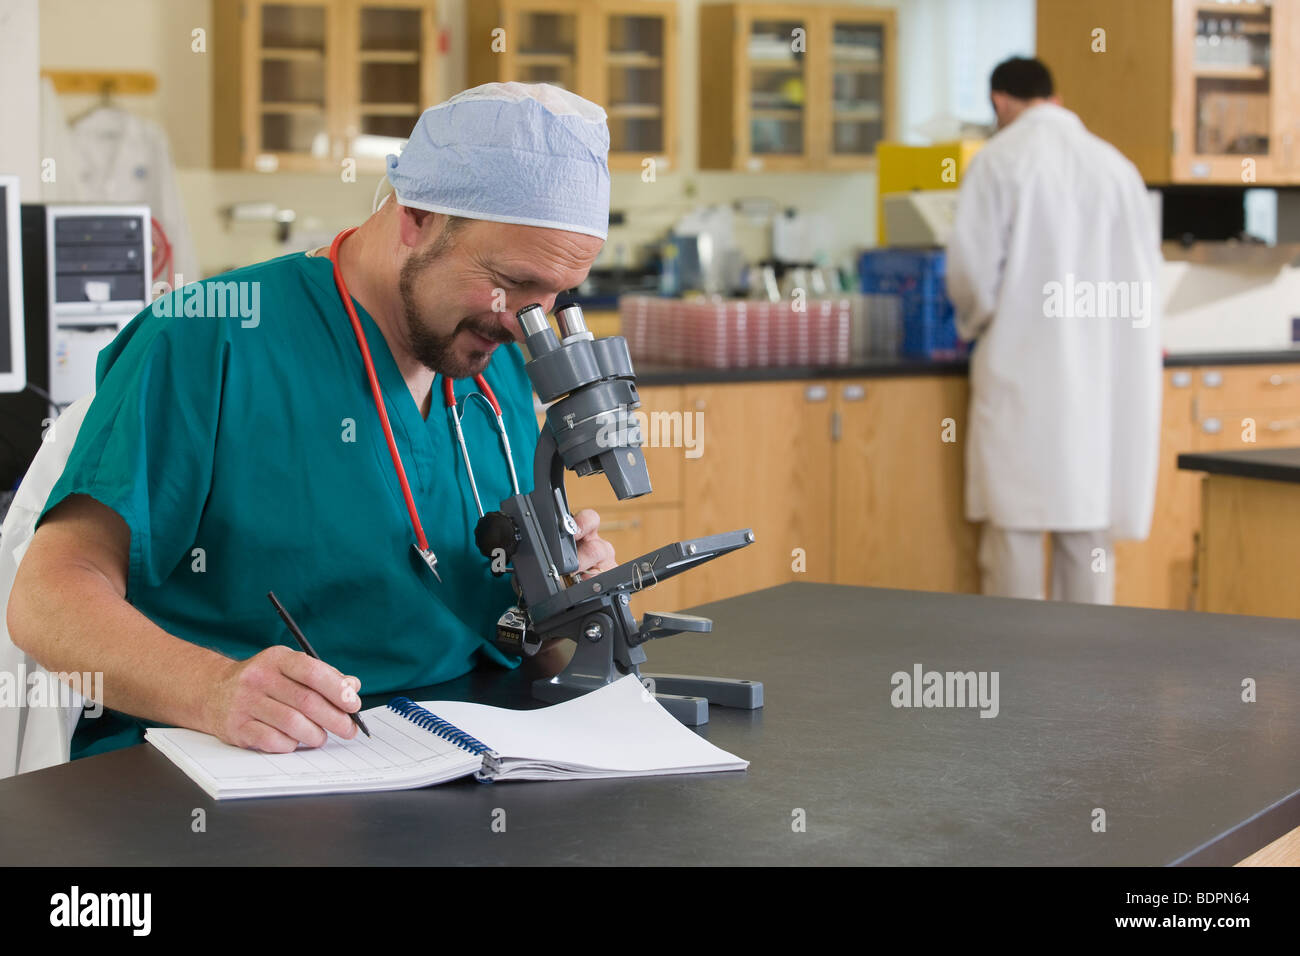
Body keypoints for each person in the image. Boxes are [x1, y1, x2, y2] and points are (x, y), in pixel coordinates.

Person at [6, 82, 619, 757]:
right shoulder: (211, 338)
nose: (524, 320)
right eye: (511, 281)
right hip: (237, 770)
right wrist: (211, 688)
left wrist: (557, 595)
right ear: (416, 217)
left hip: (465, 748)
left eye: (555, 295)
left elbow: (485, 604)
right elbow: (48, 596)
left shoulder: (490, 355)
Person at [945, 57, 1162, 604]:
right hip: (1102, 377)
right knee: (1088, 532)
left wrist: (976, 321)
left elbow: (970, 273)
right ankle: (1088, 682)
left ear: (999, 102)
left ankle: (1015, 679)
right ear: (1055, 97)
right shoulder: (1115, 166)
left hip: (1023, 365)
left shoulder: (998, 161)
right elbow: (1145, 275)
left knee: (1014, 534)